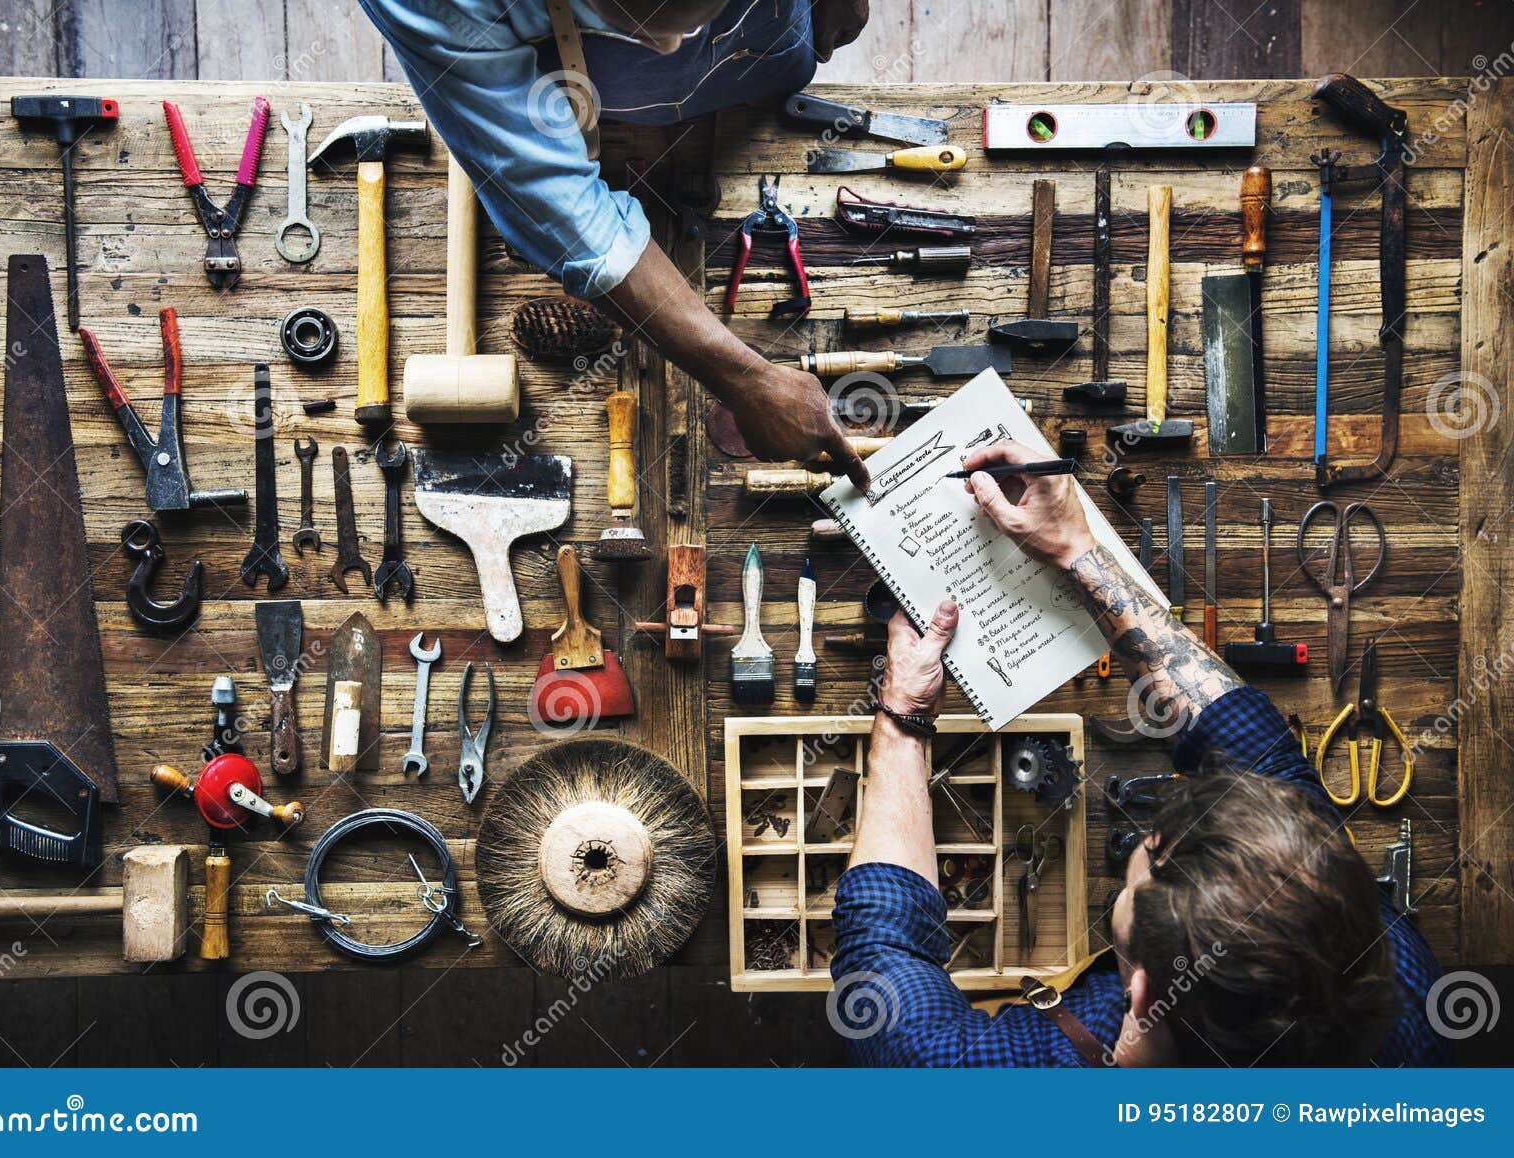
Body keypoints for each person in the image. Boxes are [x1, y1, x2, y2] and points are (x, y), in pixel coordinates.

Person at [831, 439, 1444, 1066]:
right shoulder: (1395, 974)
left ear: (1142, 991)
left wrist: (904, 711)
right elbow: (1249, 741)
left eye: (1143, 866)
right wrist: (1077, 551)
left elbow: (882, 947)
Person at [359, 0, 872, 488]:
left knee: (786, 47)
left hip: (769, 40)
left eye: (698, 13)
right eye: (632, 15)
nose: (670, 47)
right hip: (583, 83)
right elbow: (571, 216)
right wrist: (745, 379)